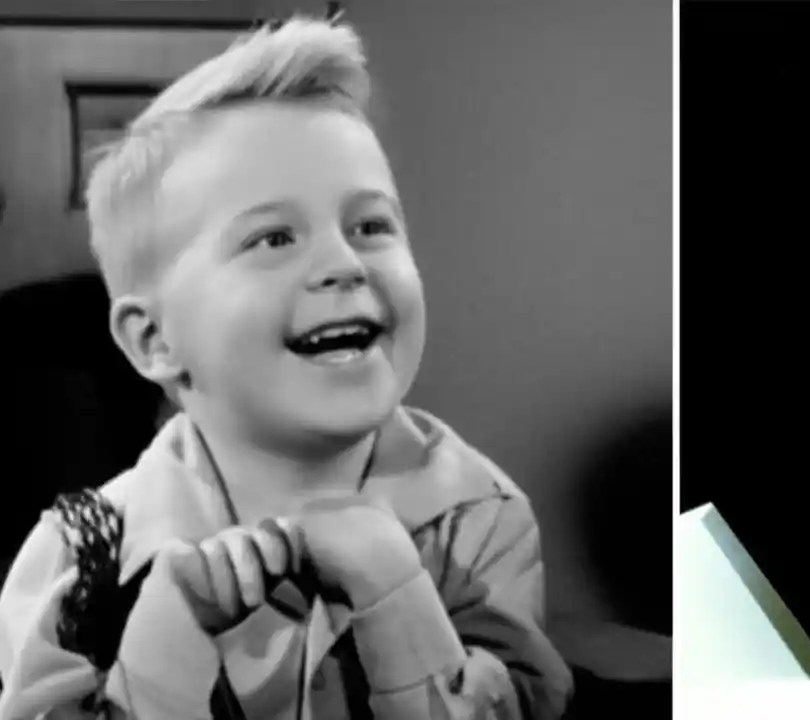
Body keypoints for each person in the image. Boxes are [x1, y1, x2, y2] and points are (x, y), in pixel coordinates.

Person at [0, 15, 572, 720]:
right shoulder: (76, 563)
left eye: (371, 226)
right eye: (273, 238)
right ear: (153, 340)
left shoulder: (480, 519)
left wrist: (396, 593)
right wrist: (165, 645)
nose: (343, 263)